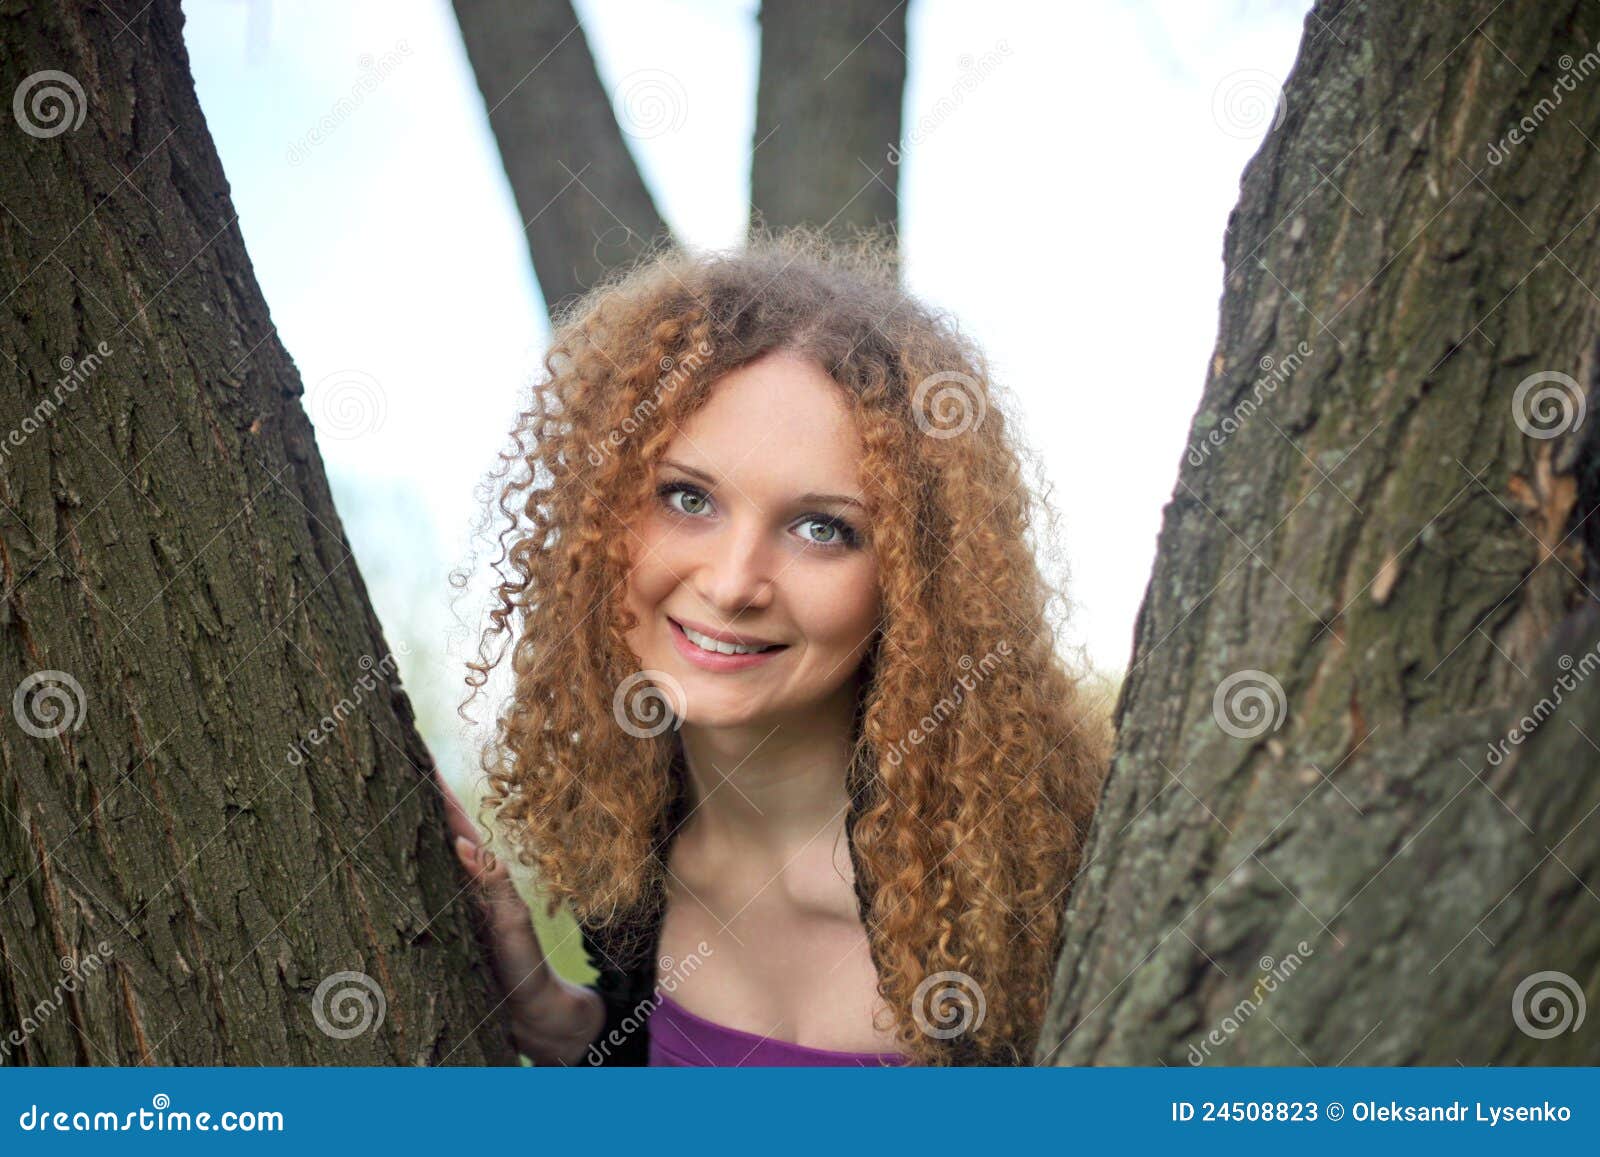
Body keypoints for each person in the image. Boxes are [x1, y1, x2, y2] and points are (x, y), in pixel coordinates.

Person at [438, 229, 1109, 1066]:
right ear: (601, 510)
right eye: (687, 497)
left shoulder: (1035, 900)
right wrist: (549, 1014)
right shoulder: (632, 860)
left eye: (822, 528)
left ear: (916, 579)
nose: (732, 582)